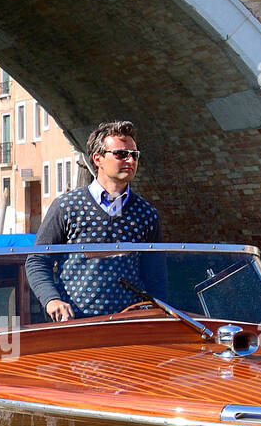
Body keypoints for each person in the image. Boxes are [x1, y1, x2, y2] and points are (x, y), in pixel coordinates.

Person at [25, 120, 161, 322]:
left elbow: (155, 274)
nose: (130, 161)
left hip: (131, 324)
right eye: (121, 154)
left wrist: (158, 314)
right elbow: (37, 260)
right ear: (98, 159)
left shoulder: (146, 213)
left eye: (134, 155)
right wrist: (51, 300)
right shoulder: (66, 207)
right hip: (77, 323)